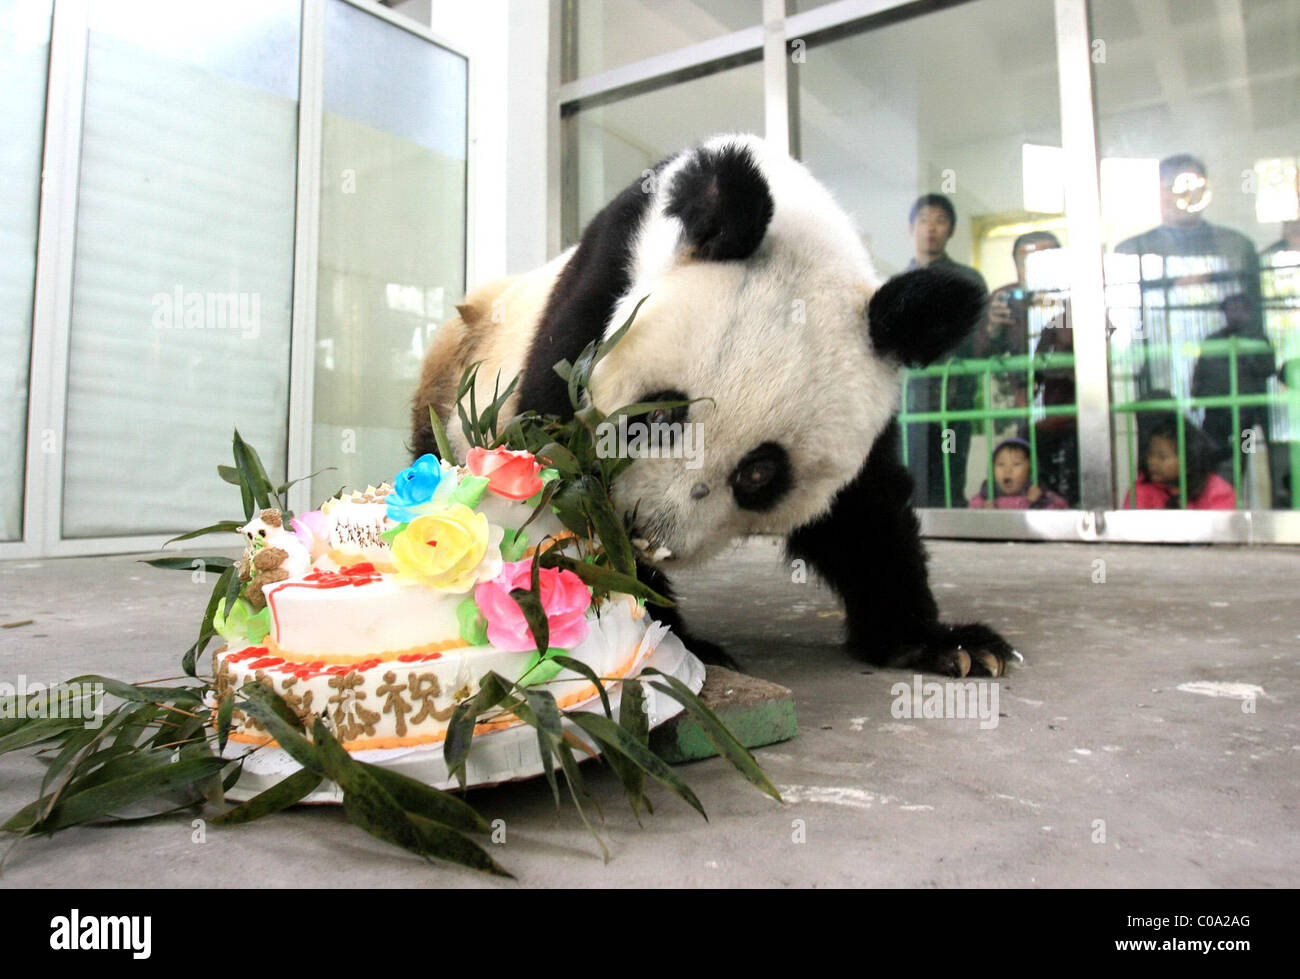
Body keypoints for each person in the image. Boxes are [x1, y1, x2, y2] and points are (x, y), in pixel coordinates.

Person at [1112, 154, 1264, 400]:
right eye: (1174, 186)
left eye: (1195, 186)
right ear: (1159, 192)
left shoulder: (1236, 247)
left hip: (1225, 376)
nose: (1184, 195)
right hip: (1158, 373)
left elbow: (1253, 315)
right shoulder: (1132, 251)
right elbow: (1125, 325)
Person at [901, 194, 988, 507]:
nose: (931, 228)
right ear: (911, 228)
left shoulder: (967, 280)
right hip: (909, 405)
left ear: (950, 230)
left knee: (949, 483)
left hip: (954, 403)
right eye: (924, 220)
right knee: (908, 485)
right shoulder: (898, 283)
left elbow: (977, 340)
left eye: (940, 221)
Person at [1122, 391, 1236, 510]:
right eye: (1150, 454)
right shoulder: (1141, 492)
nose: (1151, 461)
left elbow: (1223, 526)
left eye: (1162, 457)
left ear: (1188, 460)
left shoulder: (1215, 490)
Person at [968, 437, 1068, 510]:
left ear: (1031, 470)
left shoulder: (1040, 494)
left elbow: (1060, 511)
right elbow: (971, 514)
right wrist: (982, 511)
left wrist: (1033, 502)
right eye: (1000, 464)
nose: (1007, 470)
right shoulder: (986, 494)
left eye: (1016, 464)